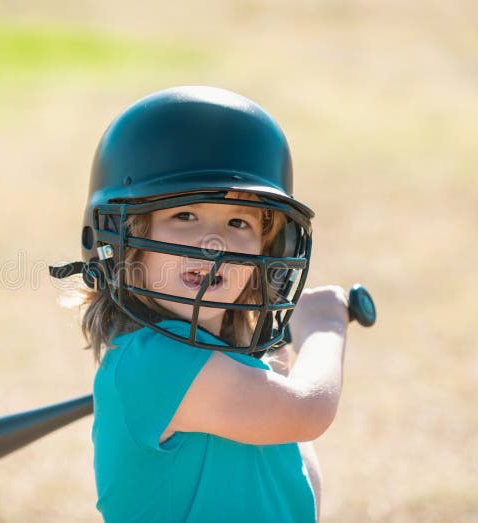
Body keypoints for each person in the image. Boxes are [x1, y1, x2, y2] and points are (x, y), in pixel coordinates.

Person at [51, 86, 349, 522]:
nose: (214, 244)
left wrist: (274, 357)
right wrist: (324, 329)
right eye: (185, 215)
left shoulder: (225, 371)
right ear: (124, 235)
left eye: (238, 221)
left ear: (269, 249)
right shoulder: (153, 363)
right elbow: (306, 411)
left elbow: (297, 492)